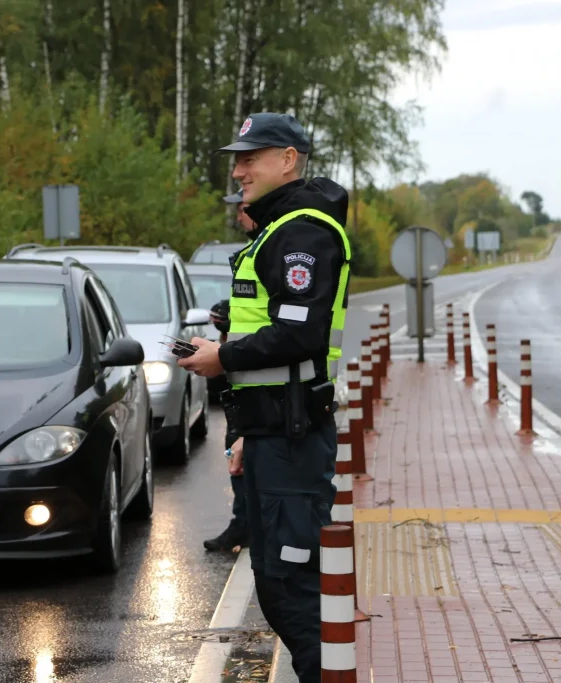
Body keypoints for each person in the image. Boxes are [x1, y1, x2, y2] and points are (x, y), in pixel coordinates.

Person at [178, 112, 351, 683]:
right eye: (238, 157)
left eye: (251, 157)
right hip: (276, 433)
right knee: (283, 588)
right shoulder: (279, 229)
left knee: (291, 589)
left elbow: (301, 334)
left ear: (288, 160)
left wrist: (221, 357)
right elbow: (277, 338)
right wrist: (251, 430)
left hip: (295, 440)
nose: (238, 168)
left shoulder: (303, 232)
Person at [202, 187, 260, 552]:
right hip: (247, 380)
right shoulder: (254, 251)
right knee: (234, 448)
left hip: (261, 383)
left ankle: (246, 525)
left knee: (243, 451)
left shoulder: (271, 248)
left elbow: (266, 317)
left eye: (242, 208)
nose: (237, 216)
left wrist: (221, 352)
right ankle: (243, 522)